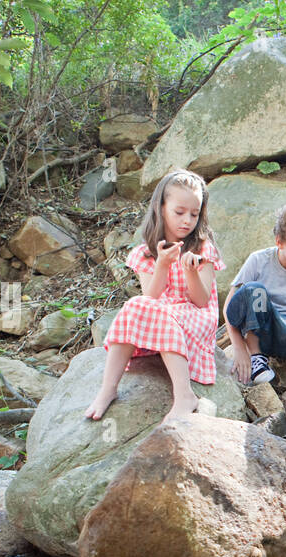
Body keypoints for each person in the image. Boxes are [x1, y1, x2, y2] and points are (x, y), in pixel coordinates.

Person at [85, 170, 223, 424]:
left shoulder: (203, 248)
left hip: (196, 316)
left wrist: (190, 271)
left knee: (160, 311)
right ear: (161, 208)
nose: (187, 221)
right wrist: (162, 264)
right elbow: (150, 297)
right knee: (135, 304)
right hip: (162, 316)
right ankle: (108, 388)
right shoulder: (146, 252)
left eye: (194, 214)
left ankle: (185, 395)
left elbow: (202, 301)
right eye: (179, 212)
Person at [224, 199, 286, 385]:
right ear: (280, 242)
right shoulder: (258, 261)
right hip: (258, 330)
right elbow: (229, 306)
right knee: (254, 290)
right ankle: (257, 358)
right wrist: (239, 348)